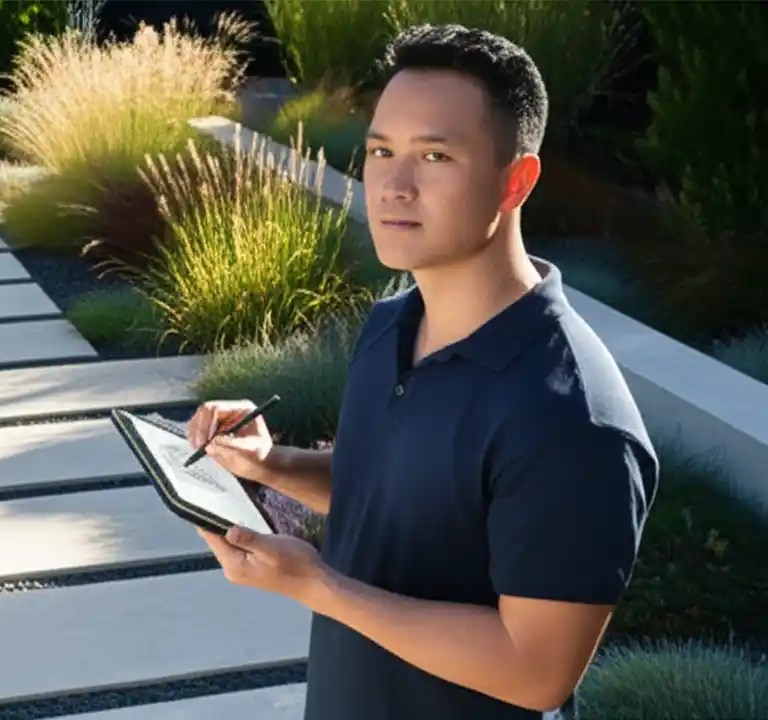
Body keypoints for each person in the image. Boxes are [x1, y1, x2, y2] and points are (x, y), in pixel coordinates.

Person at [187, 23, 659, 720]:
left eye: (436, 156)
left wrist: (319, 588)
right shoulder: (390, 326)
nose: (394, 186)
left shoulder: (570, 415)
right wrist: (269, 464)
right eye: (382, 151)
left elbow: (535, 672)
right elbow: (397, 493)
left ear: (516, 181)